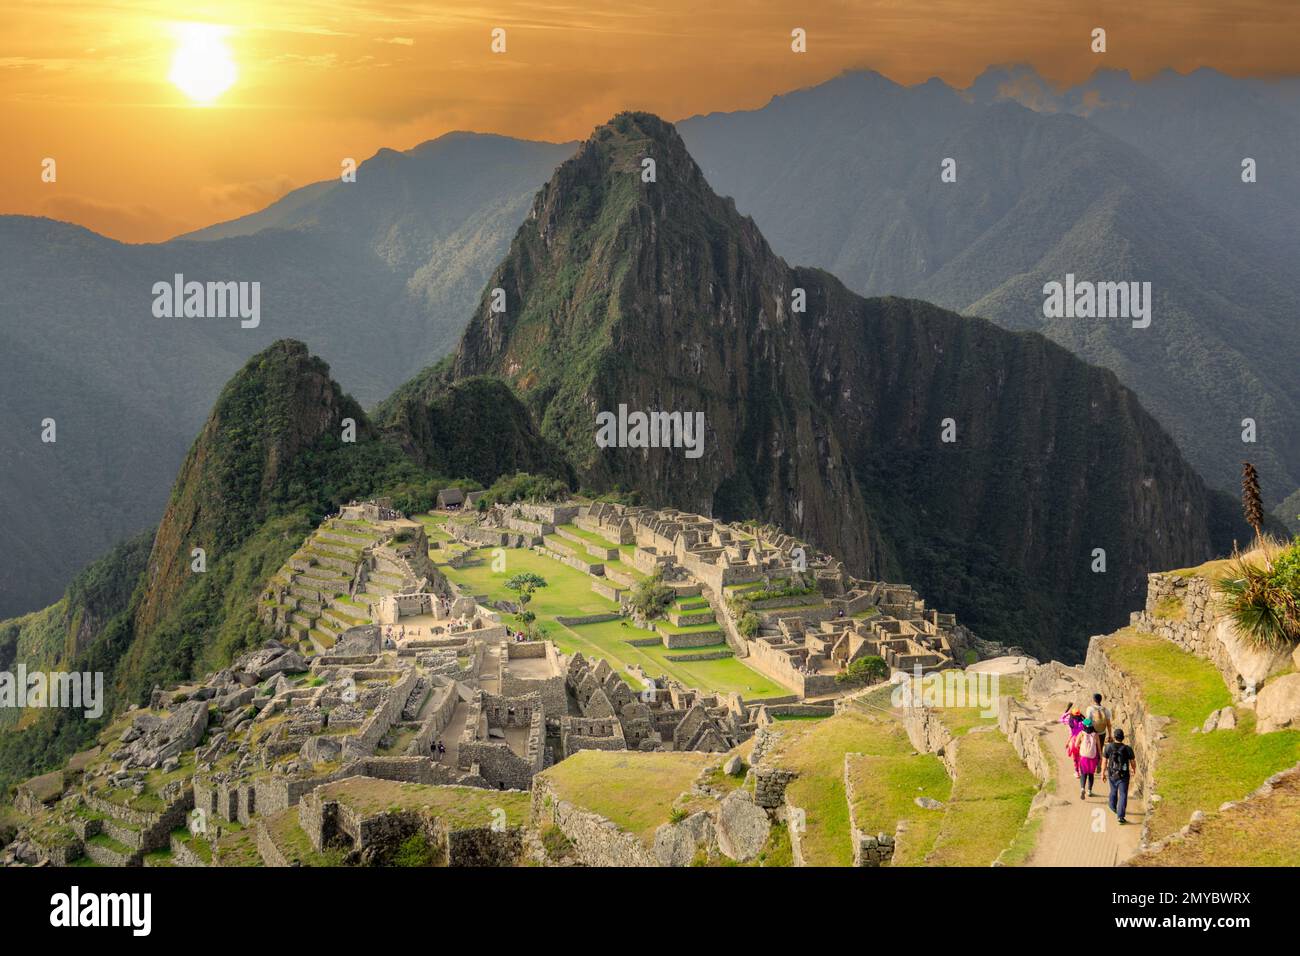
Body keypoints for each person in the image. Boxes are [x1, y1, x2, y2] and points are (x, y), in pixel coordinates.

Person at [1103, 728, 1136, 824]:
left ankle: (1113, 807)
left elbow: (1104, 761)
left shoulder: (1108, 747)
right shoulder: (1127, 748)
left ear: (1114, 737)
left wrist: (1103, 773)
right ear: (1123, 737)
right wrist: (1134, 770)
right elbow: (1132, 762)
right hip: (1123, 775)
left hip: (1112, 773)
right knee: (1123, 794)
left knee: (1113, 790)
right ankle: (1120, 817)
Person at [1076, 718, 1101, 799]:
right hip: (1092, 757)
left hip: (1083, 757)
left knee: (1083, 774)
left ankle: (1082, 788)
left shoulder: (1081, 734)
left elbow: (1076, 745)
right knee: (1091, 774)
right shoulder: (1096, 735)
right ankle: (1089, 791)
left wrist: (1081, 747)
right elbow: (1099, 747)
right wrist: (1100, 757)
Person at [1061, 704, 1085, 778]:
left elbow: (1061, 719)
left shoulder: (1070, 722)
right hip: (1082, 740)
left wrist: (1068, 712)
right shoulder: (1083, 722)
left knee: (1075, 758)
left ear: (1072, 715)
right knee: (1081, 757)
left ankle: (1077, 772)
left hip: (1074, 741)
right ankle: (1082, 770)